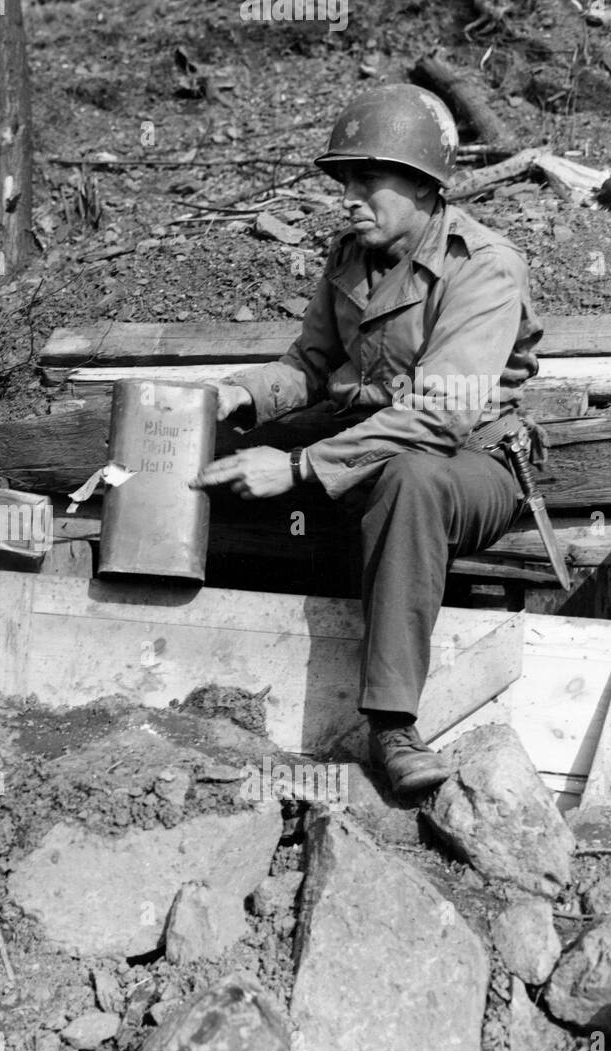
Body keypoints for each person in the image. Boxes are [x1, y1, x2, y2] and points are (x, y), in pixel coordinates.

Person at [191, 84, 542, 797]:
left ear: (422, 185)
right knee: (217, 454)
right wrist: (242, 396)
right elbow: (312, 365)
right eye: (345, 179)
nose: (349, 196)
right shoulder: (351, 253)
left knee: (409, 480)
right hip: (369, 437)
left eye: (367, 180)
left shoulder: (486, 266)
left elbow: (440, 418)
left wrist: (296, 465)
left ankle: (392, 727)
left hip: (470, 462)